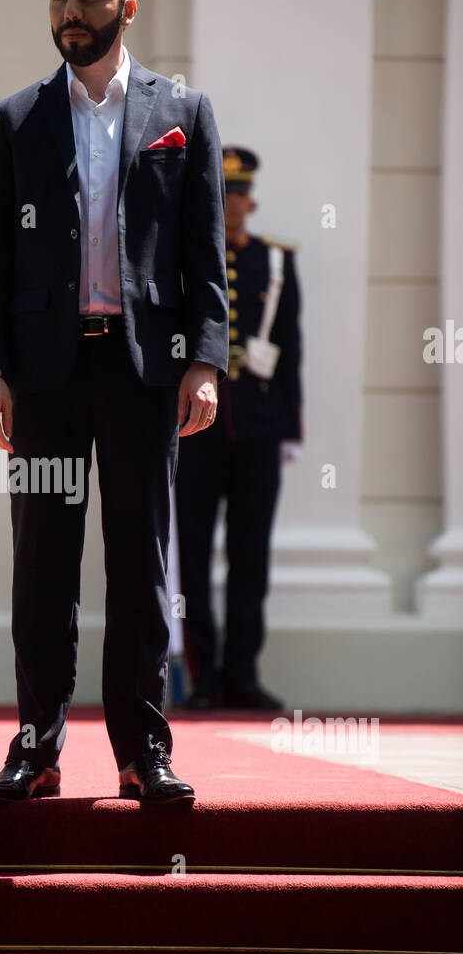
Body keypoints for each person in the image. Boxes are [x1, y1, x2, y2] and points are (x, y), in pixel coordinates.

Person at [0, 0, 228, 803]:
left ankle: (141, 752)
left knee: (140, 564)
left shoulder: (180, 111)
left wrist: (204, 360)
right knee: (41, 560)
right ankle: (35, 751)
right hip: (41, 375)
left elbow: (205, 256)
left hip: (141, 371)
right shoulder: (14, 118)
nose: (68, 12)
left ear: (126, 7)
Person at [175, 147, 303, 711]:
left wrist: (291, 427)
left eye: (240, 195)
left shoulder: (275, 264)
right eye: (222, 195)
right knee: (194, 555)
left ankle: (243, 675)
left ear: (251, 200)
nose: (232, 206)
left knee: (252, 555)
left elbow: (290, 348)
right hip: (196, 431)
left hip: (257, 430)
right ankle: (203, 678)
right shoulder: (183, 256)